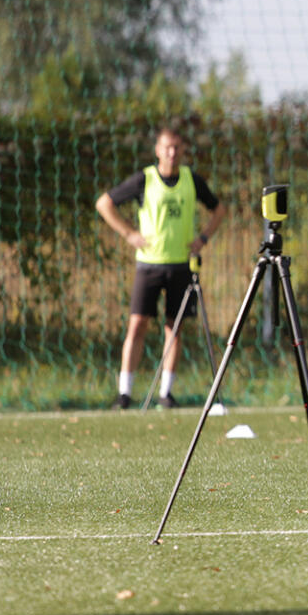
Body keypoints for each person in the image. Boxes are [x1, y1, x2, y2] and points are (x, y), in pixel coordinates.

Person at [96, 127, 226, 409]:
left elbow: (219, 209)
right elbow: (104, 203)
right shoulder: (145, 179)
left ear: (183, 150)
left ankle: (166, 393)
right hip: (149, 265)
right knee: (137, 324)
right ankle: (125, 393)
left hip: (182, 264)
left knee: (174, 328)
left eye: (177, 147)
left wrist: (203, 238)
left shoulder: (192, 180)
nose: (172, 152)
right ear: (157, 150)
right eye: (167, 147)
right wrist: (130, 234)